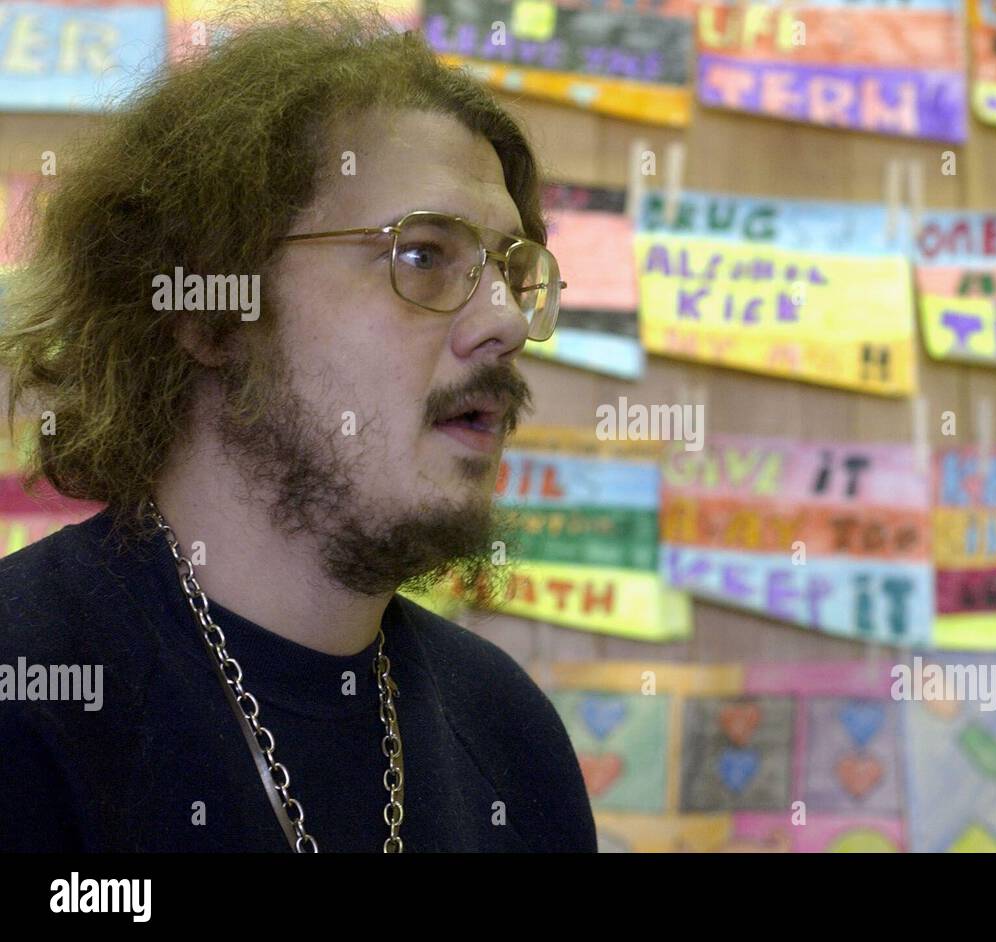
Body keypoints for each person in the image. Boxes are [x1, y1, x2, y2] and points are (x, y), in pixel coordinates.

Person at [0, 3, 596, 853]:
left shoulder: (507, 734)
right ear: (207, 312)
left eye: (514, 272)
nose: (503, 320)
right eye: (424, 255)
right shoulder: (29, 699)